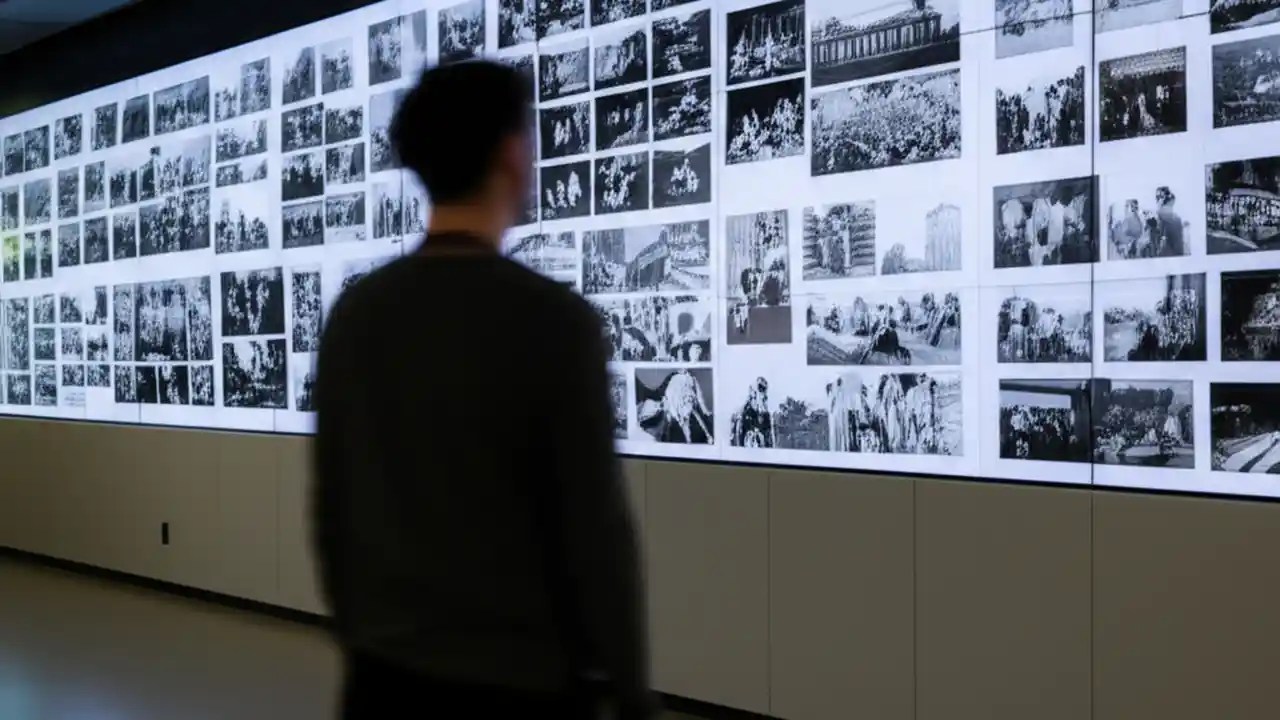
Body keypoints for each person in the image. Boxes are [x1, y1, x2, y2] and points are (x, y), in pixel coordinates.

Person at [312, 61, 654, 720]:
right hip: (521, 688)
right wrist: (631, 693)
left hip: (384, 685)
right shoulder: (554, 321)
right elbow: (596, 534)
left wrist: (366, 641)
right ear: (509, 152)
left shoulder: (357, 317)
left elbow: (331, 514)